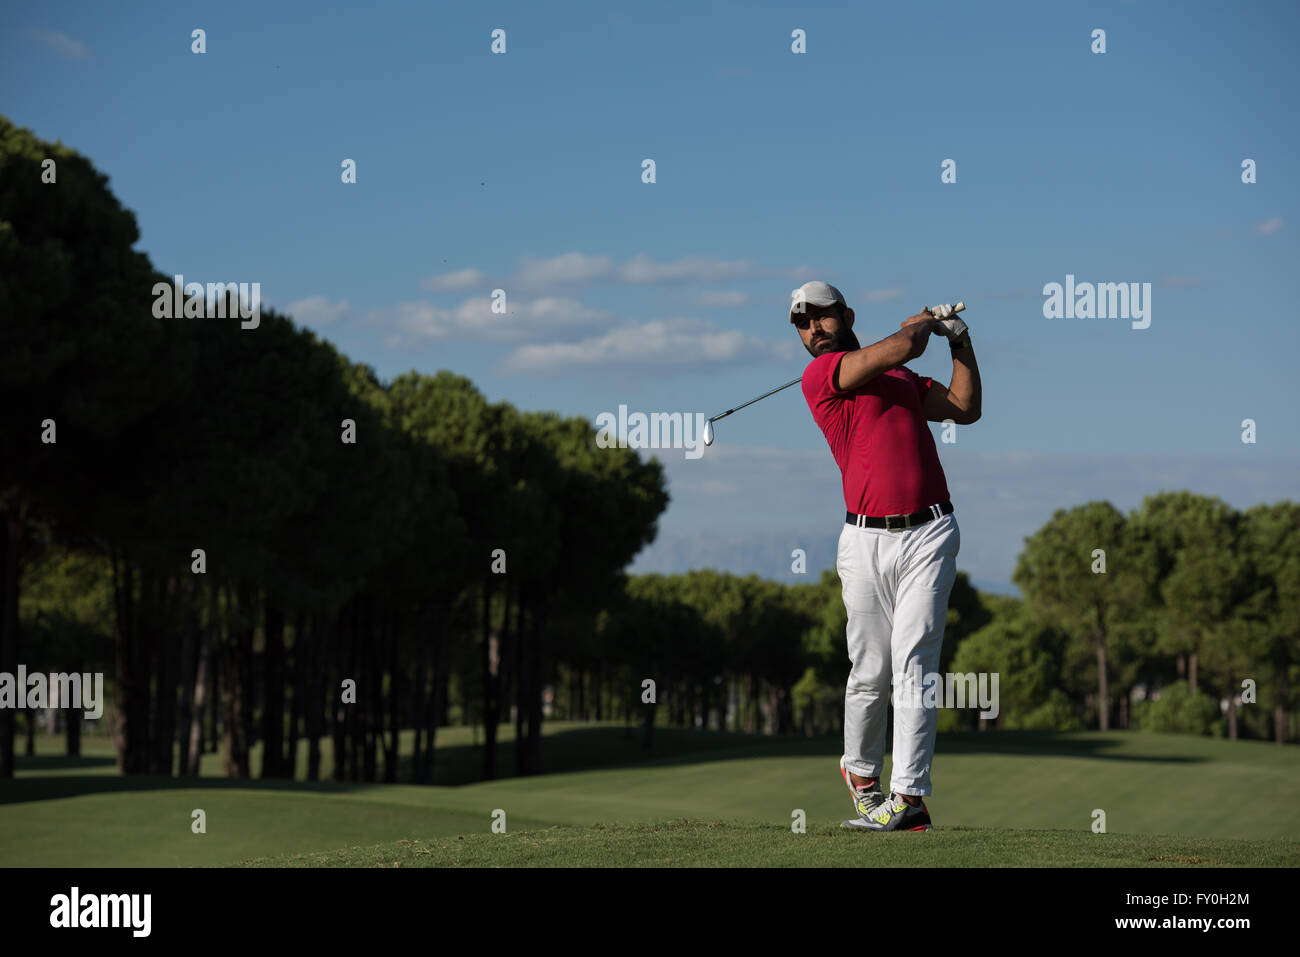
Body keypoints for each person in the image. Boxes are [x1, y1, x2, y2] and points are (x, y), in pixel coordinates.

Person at [792, 280, 981, 831]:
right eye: (803, 325)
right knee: (869, 669)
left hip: (929, 532)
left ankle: (909, 798)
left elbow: (965, 407)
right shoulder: (820, 375)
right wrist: (918, 326)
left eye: (822, 318)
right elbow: (901, 346)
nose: (813, 331)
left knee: (914, 663)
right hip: (863, 540)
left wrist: (960, 341)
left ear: (846, 315)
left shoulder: (898, 376)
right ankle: (861, 773)